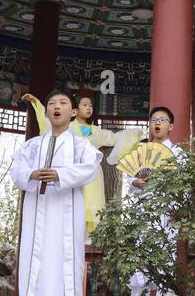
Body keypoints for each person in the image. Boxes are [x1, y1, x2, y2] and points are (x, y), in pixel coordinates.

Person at [10, 88, 102, 296]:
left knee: (64, 258)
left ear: (73, 112)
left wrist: (61, 175)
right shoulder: (33, 145)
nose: (57, 107)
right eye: (52, 103)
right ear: (47, 111)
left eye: (63, 103)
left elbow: (91, 167)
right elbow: (16, 169)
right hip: (37, 207)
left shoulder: (80, 144)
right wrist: (32, 174)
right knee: (36, 257)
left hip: (66, 211)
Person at [22, 91, 141, 235]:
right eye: (85, 105)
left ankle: (91, 240)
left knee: (94, 207)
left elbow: (116, 139)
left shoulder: (98, 132)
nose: (89, 108)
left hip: (93, 174)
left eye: (90, 105)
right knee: (72, 206)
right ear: (74, 110)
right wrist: (37, 104)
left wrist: (135, 133)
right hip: (73, 171)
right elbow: (49, 125)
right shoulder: (68, 127)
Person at [121, 106, 179, 296]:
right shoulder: (141, 150)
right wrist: (134, 182)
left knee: (165, 254)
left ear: (171, 126)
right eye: (154, 119)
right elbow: (130, 175)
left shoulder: (177, 152)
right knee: (140, 252)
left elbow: (183, 184)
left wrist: (178, 209)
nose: (157, 123)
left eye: (162, 120)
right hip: (143, 209)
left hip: (166, 210)